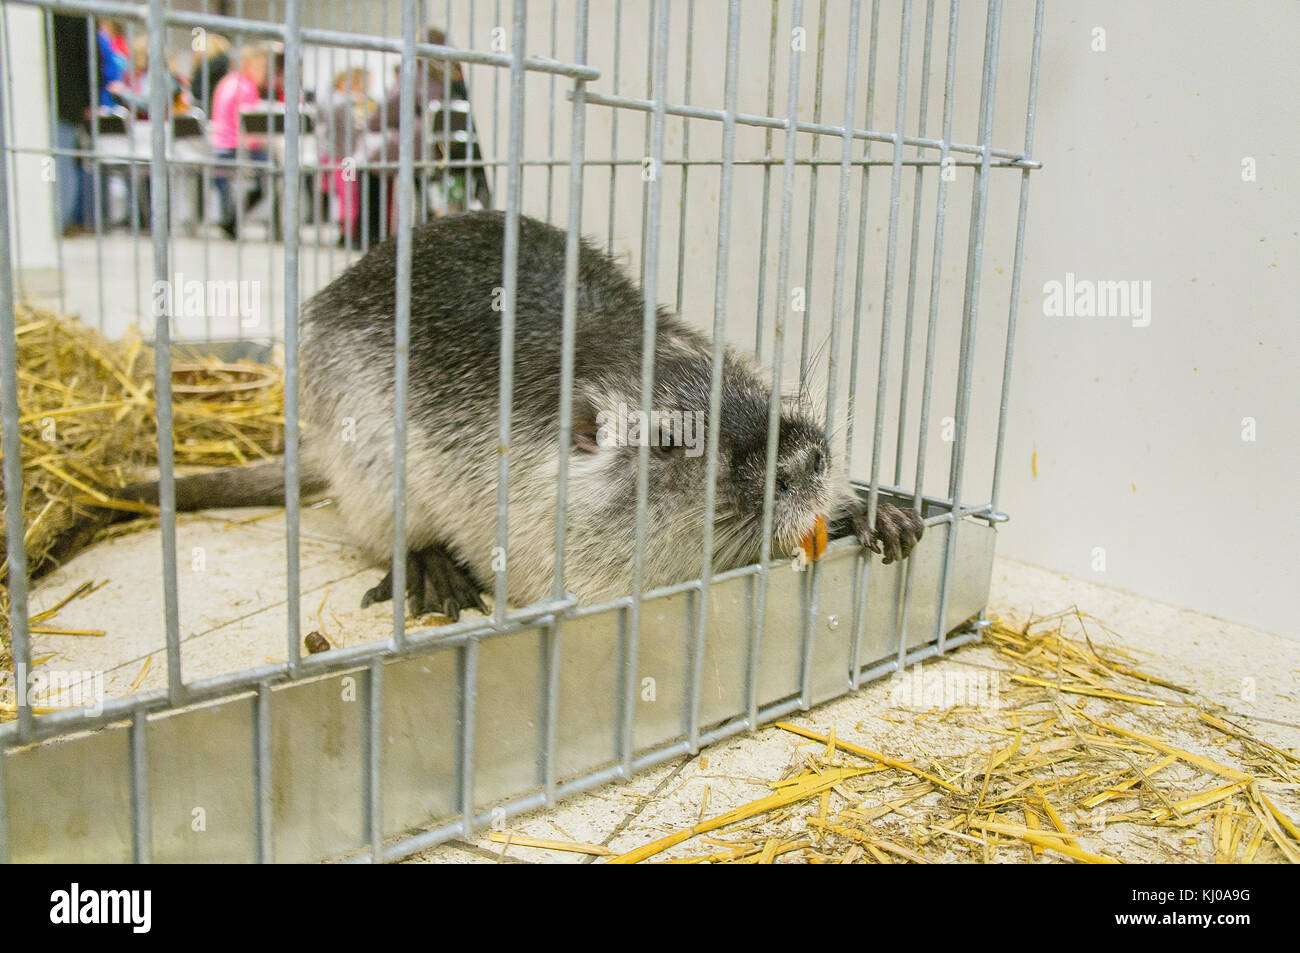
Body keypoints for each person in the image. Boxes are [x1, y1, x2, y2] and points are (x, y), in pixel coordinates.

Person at [210, 45, 270, 239]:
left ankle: (230, 219)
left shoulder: (226, 82)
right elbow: (249, 124)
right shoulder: (246, 86)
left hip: (218, 146)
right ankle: (233, 220)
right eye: (260, 68)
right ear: (247, 65)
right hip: (237, 147)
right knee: (273, 174)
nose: (263, 73)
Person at [319, 67, 371, 246]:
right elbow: (355, 129)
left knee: (339, 196)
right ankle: (348, 233)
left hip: (330, 155)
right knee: (349, 196)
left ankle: (345, 231)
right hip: (345, 158)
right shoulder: (346, 103)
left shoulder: (328, 99)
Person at [189, 33, 231, 116]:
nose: (195, 52)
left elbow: (198, 93)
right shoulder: (224, 67)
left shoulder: (205, 69)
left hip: (209, 112)